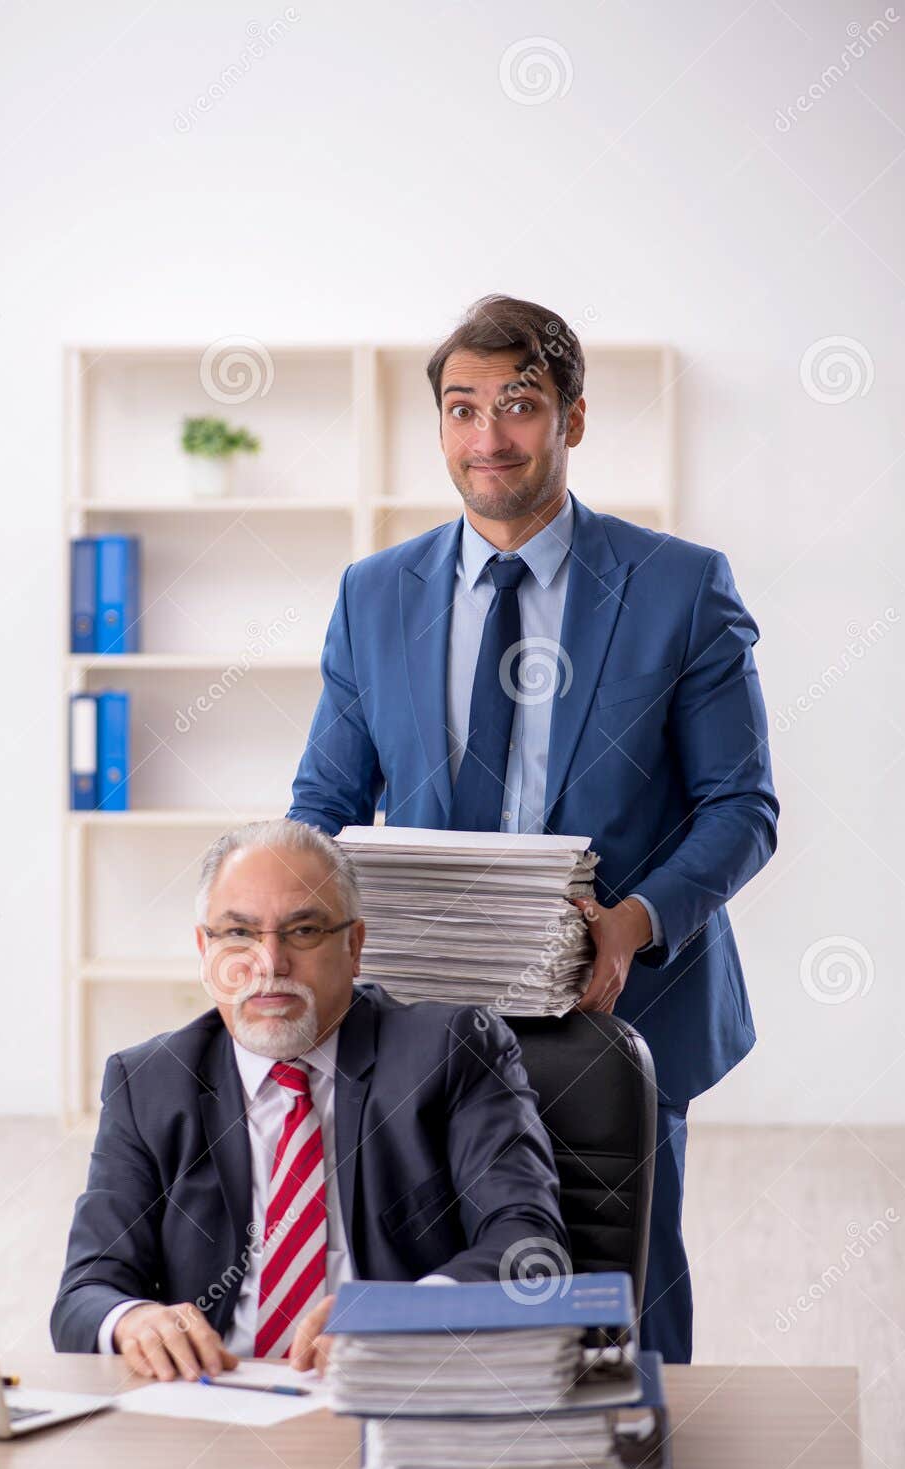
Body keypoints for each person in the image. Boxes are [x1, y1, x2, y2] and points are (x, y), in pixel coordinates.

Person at [287, 295, 780, 1364]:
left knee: (625, 1305)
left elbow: (743, 807)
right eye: (462, 409)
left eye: (518, 404)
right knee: (427, 1289)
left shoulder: (679, 588)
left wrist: (633, 924)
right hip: (422, 1007)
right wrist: (291, 932)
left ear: (574, 418)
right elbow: (323, 804)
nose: (487, 438)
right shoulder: (376, 594)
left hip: (619, 1003)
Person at [51, 819, 568, 1378]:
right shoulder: (150, 1082)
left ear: (354, 945)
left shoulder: (451, 1053)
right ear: (205, 950)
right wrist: (132, 1320)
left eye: (302, 931)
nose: (270, 965)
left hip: (394, 1387)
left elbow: (528, 1241)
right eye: (239, 934)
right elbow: (86, 1292)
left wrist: (408, 1312)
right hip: (218, 1396)